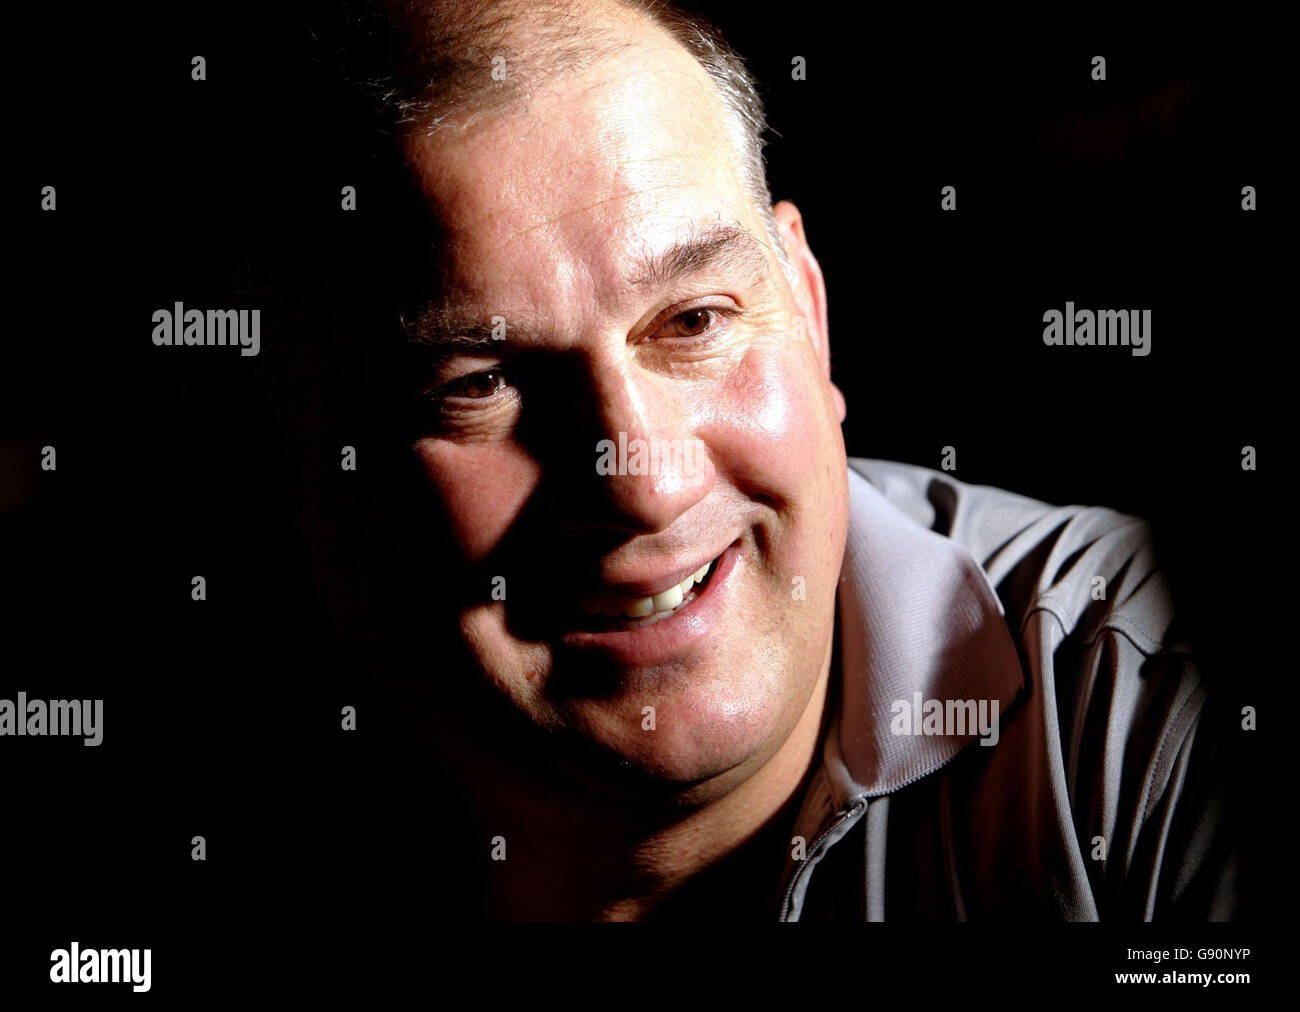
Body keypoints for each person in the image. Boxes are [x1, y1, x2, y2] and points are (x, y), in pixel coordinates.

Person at [336, 0, 1236, 920]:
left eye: (694, 322)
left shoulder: (1156, 712)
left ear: (808, 312)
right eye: (481, 383)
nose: (646, 485)